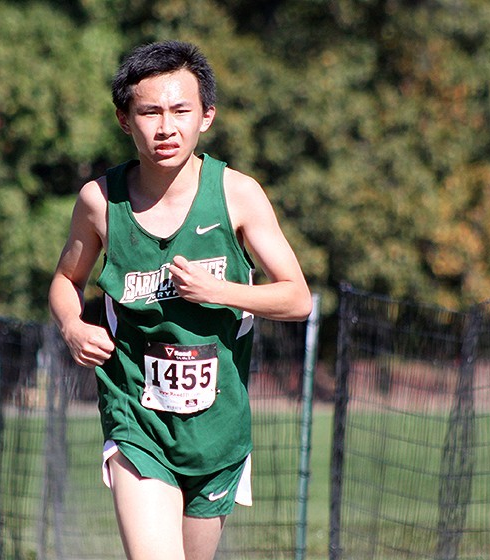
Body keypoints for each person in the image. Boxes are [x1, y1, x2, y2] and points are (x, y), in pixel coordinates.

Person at [48, 40, 312, 560]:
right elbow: (65, 279)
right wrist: (72, 326)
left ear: (206, 116)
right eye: (149, 112)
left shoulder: (238, 194)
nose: (165, 127)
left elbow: (298, 298)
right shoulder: (99, 201)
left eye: (180, 111)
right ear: (125, 120)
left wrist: (220, 291)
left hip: (218, 428)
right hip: (137, 420)